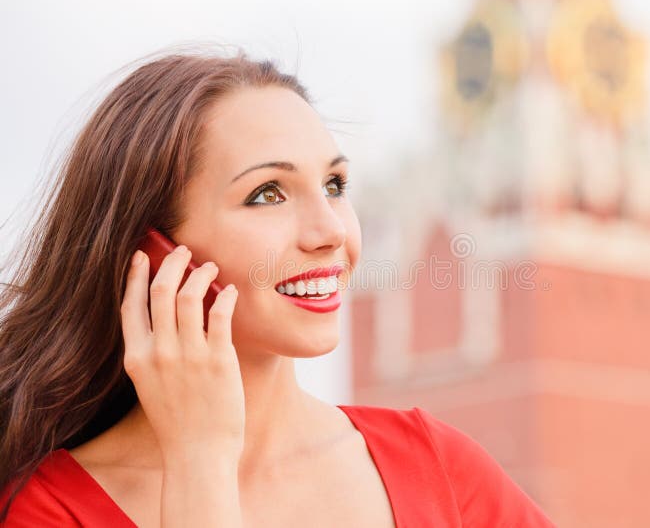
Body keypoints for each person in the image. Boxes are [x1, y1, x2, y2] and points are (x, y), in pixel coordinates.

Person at [0, 47, 556, 527]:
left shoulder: (439, 469)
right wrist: (199, 464)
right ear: (152, 253)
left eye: (334, 184)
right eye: (268, 193)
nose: (331, 231)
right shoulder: (51, 509)